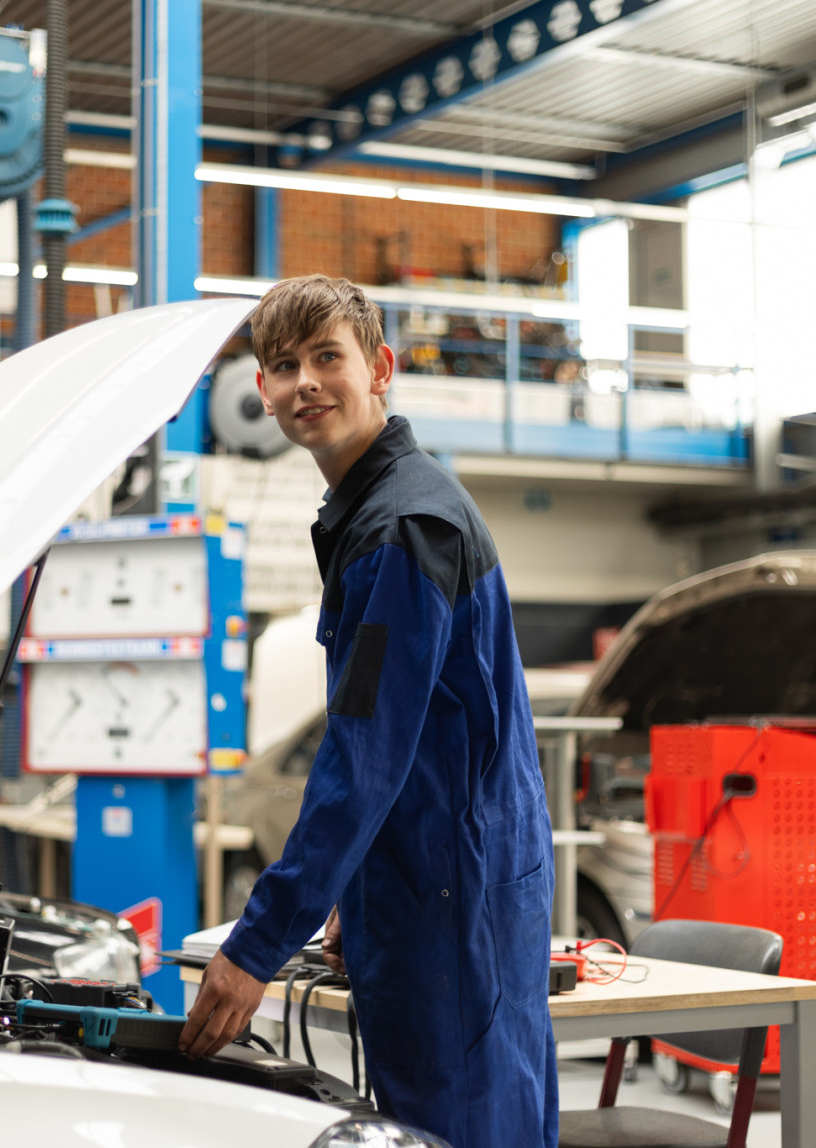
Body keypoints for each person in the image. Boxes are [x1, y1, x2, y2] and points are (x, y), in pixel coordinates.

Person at [178, 275, 556, 1148]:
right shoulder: (383, 509)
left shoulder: (400, 531)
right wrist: (358, 893)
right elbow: (422, 736)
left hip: (452, 899)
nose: (304, 381)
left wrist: (256, 948)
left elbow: (362, 762)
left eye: (326, 358)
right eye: (282, 365)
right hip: (448, 880)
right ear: (263, 395)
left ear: (379, 368)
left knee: (458, 1128)